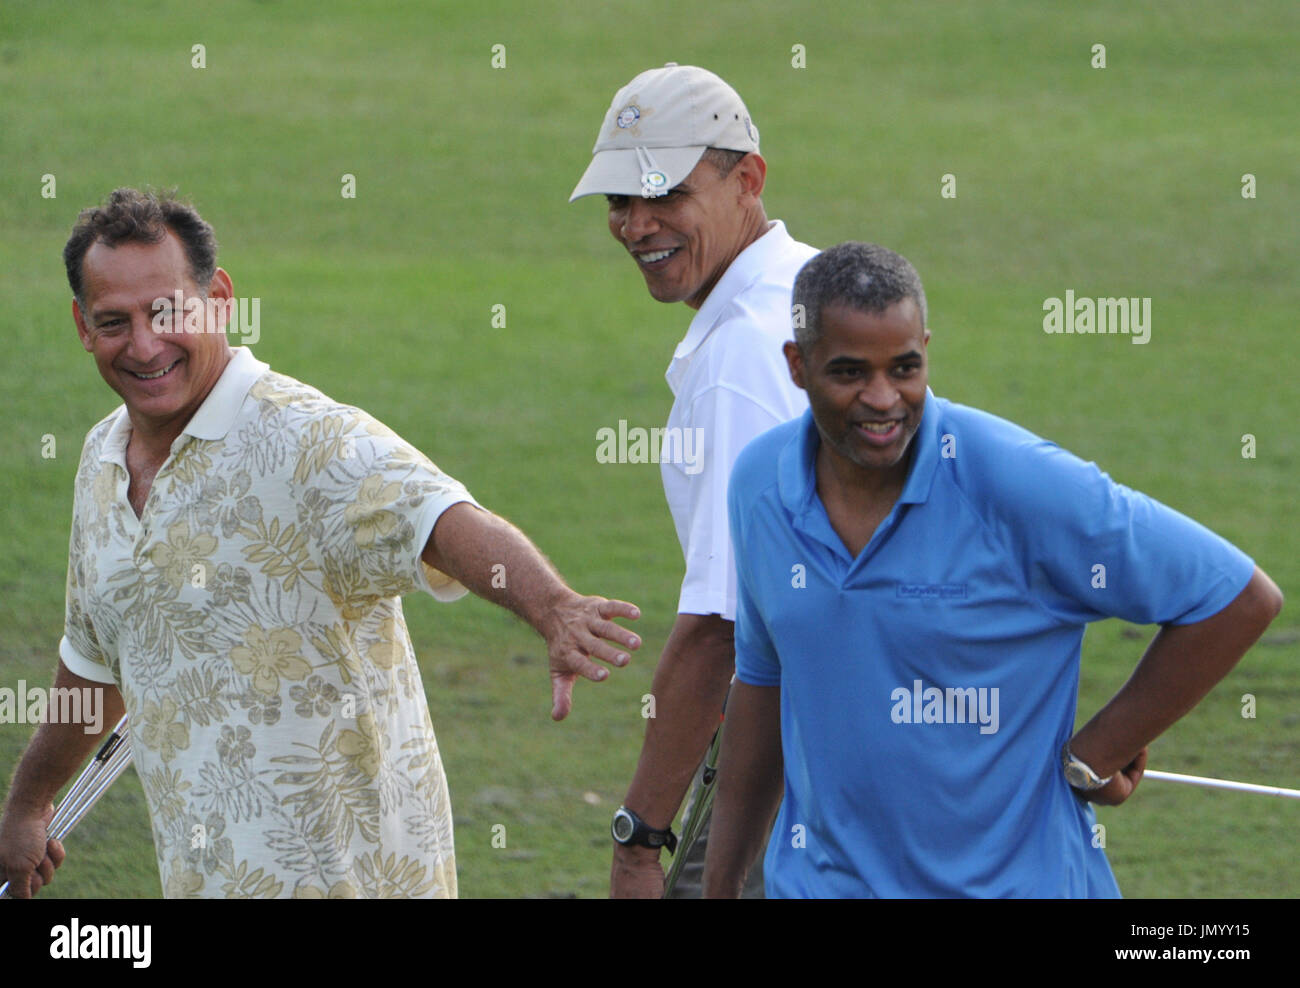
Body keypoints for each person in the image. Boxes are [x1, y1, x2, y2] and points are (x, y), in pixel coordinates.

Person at [0, 187, 641, 899]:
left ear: (219, 298)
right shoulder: (101, 460)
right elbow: (92, 662)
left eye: (167, 312)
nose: (145, 345)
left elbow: (443, 519)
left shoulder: (308, 440)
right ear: (82, 327)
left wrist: (553, 608)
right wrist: (29, 803)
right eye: (114, 322)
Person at [703, 241, 1284, 897]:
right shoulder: (759, 485)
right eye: (848, 373)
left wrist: (1098, 752)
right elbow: (763, 681)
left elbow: (1237, 597)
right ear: (797, 365)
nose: (883, 398)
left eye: (905, 367)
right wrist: (719, 883)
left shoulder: (1015, 482)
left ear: (926, 349)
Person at [569, 63, 817, 898]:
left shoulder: (745, 352)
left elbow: (719, 624)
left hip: (810, 749)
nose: (637, 225)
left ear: (747, 178)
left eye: (663, 194)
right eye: (618, 202)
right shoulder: (813, 287)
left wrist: (639, 838)